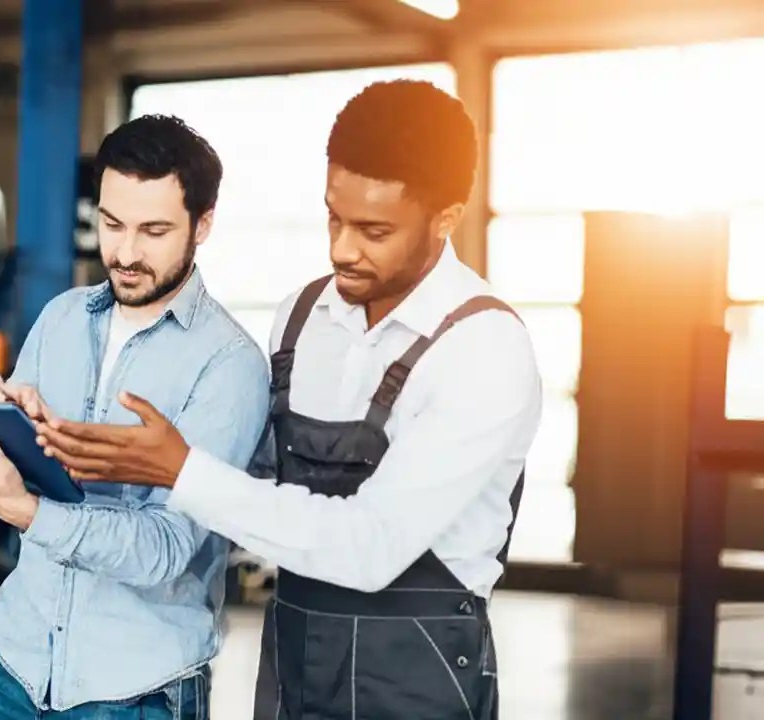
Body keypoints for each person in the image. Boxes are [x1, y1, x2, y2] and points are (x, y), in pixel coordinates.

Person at [36, 80, 543, 720]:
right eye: (333, 215)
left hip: (420, 676)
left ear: (447, 218)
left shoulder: (483, 348)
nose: (341, 248)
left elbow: (370, 547)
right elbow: (262, 485)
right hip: (294, 660)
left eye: (374, 230)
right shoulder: (302, 319)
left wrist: (180, 467)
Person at [0, 114, 270, 719]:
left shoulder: (230, 366)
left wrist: (27, 512)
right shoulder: (61, 319)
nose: (127, 251)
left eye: (154, 230)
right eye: (112, 224)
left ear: (203, 225)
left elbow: (166, 550)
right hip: (14, 666)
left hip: (133, 692)